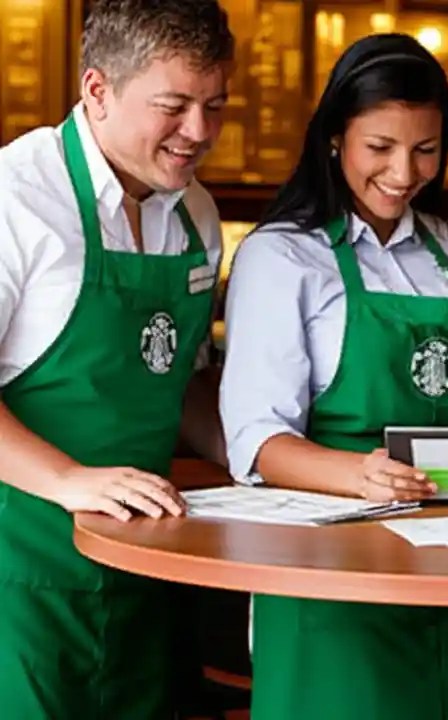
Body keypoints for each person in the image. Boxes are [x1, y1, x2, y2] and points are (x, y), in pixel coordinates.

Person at [219, 33, 448, 720]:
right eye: (379, 148)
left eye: (425, 148)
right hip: (325, 571)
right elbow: (257, 441)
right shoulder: (282, 257)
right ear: (334, 137)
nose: (404, 171)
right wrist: (361, 474)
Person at [0, 0, 232, 716]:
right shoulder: (17, 198)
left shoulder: (195, 214)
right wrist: (72, 480)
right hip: (20, 574)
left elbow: (180, 377)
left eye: (215, 106)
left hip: (145, 568)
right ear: (97, 90)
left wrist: (257, 453)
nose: (198, 133)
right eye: (173, 106)